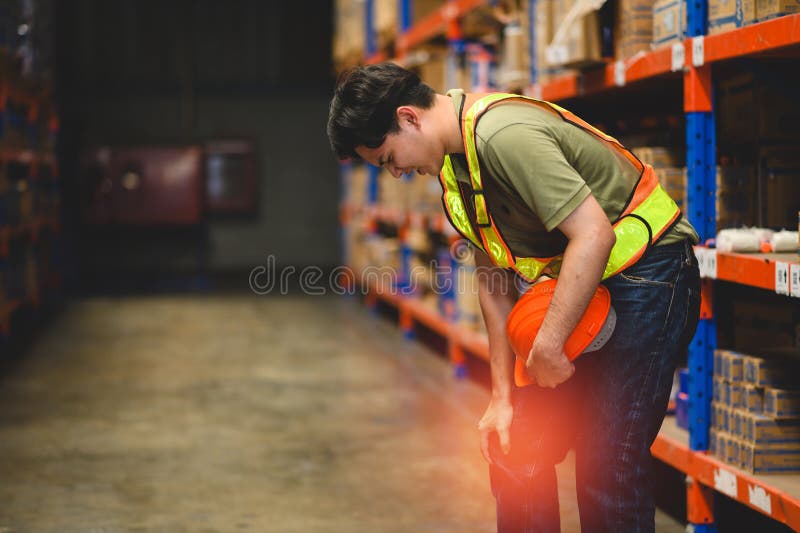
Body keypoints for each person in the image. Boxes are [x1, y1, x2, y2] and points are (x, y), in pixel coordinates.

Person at [327, 62, 701, 532]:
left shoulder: (502, 135)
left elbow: (593, 236)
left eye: (387, 158)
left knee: (607, 467)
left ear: (409, 117)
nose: (396, 173)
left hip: (652, 275)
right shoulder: (455, 170)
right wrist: (502, 397)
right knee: (514, 444)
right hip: (587, 287)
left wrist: (548, 344)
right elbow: (493, 281)